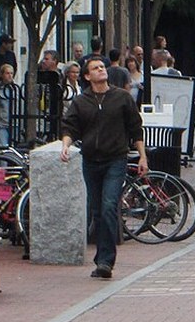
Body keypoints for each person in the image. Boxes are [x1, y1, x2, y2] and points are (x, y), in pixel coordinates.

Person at [59, 56, 146, 279]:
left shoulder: (121, 98)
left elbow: (136, 129)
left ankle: (107, 260)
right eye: (95, 68)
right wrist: (65, 146)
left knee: (108, 206)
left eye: (102, 67)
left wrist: (142, 157)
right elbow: (70, 126)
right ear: (87, 76)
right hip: (90, 160)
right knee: (97, 210)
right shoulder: (81, 102)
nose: (101, 70)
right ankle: (101, 258)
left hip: (115, 159)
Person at [0, 63, 17, 149]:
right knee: (3, 149)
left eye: (11, 73)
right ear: (2, 75)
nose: (10, 76)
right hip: (0, 124)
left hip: (13, 124)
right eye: (7, 73)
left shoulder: (15, 89)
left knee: (13, 151)